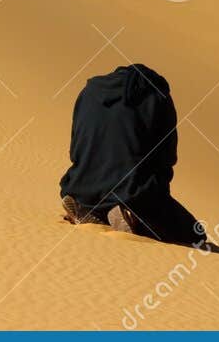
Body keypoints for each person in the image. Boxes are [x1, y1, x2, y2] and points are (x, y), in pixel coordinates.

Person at [59, 63, 207, 246]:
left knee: (106, 198)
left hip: (80, 184)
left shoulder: (89, 92)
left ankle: (85, 207)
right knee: (197, 235)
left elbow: (75, 148)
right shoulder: (158, 98)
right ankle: (131, 215)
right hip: (132, 192)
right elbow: (166, 158)